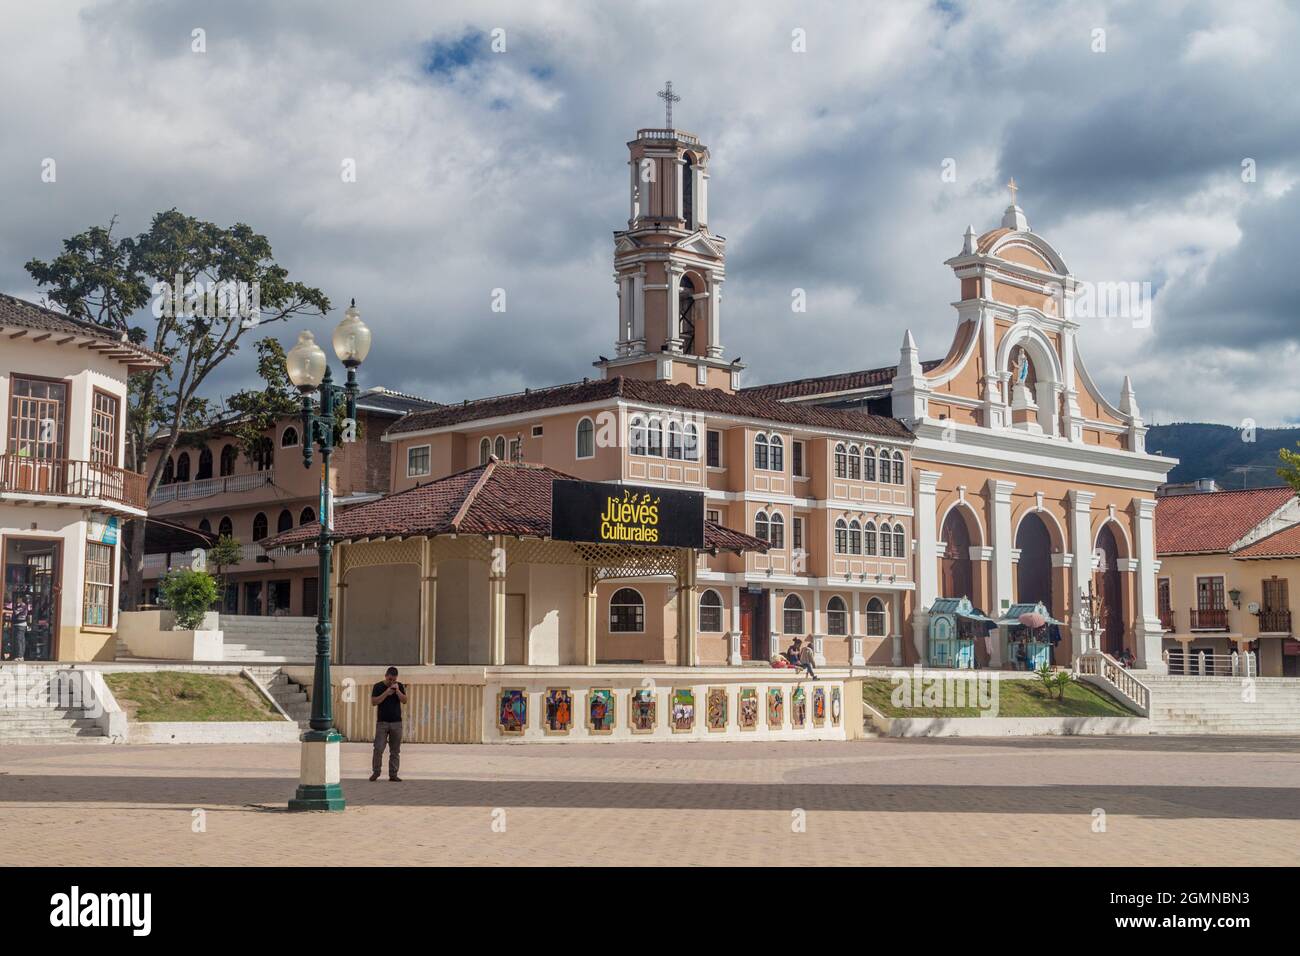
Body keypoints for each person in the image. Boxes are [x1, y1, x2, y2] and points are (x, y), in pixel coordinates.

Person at [369, 666, 407, 781]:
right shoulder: (378, 686)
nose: (391, 682)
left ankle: (393, 774)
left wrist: (398, 691)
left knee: (395, 750)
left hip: (396, 723)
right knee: (378, 748)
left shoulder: (399, 686)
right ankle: (376, 772)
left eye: (394, 680)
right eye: (390, 679)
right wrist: (386, 693)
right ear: (386, 676)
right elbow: (374, 702)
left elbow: (405, 700)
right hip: (382, 723)